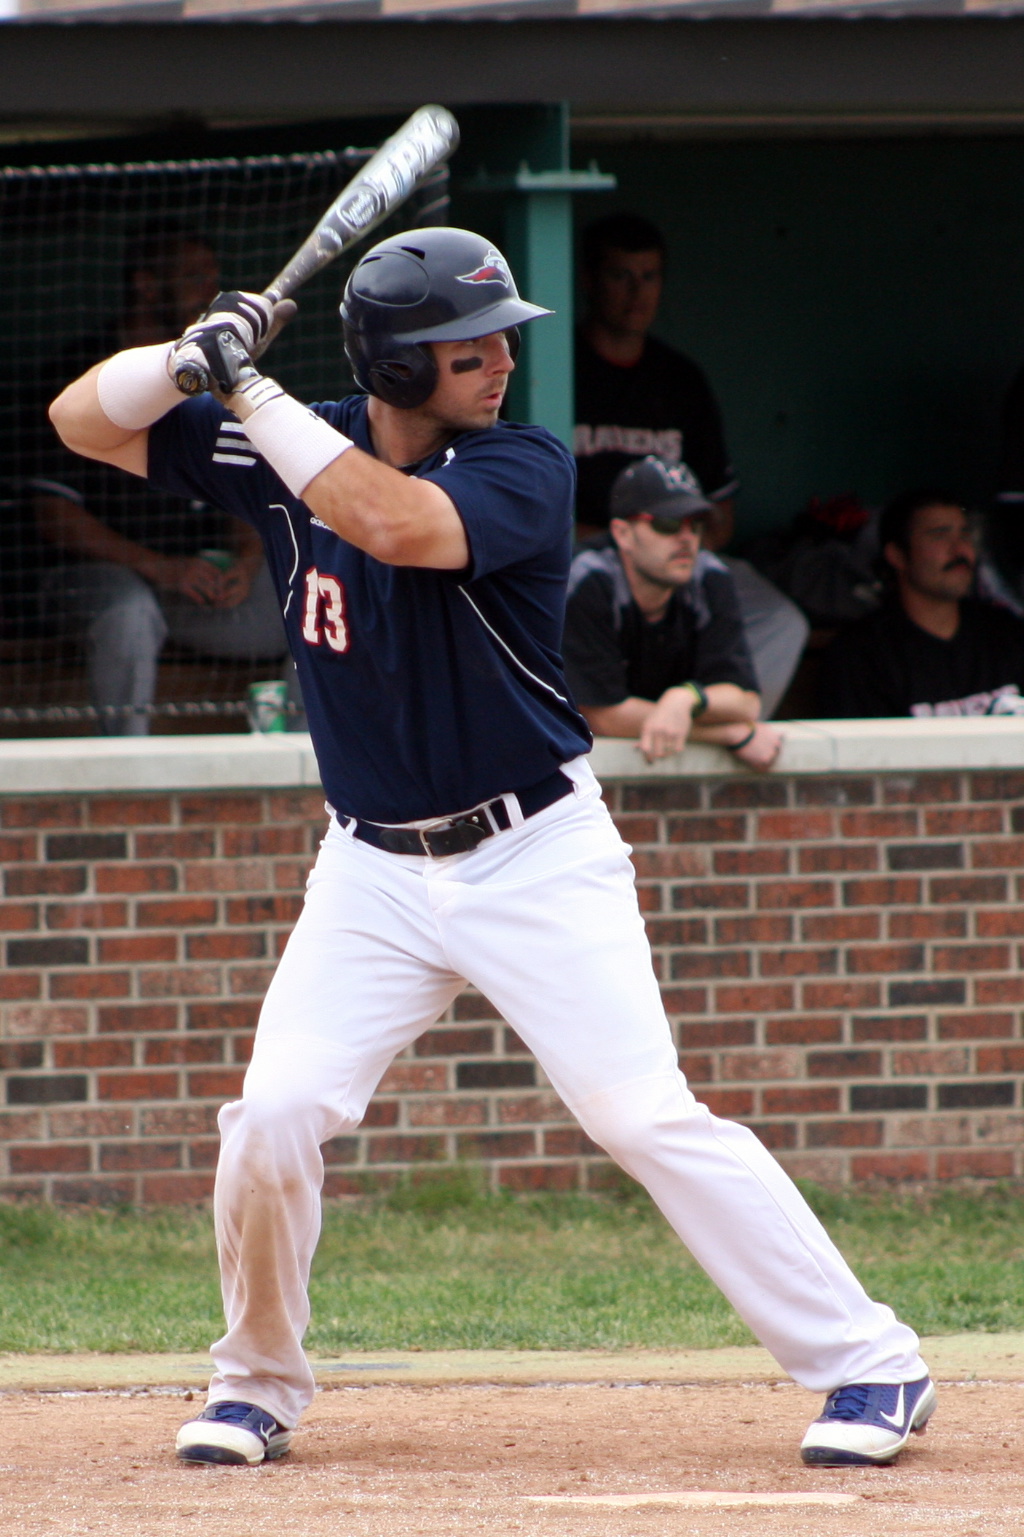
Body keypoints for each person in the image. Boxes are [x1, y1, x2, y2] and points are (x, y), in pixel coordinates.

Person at [51, 225, 933, 1472]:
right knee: (272, 1116)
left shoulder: (519, 462)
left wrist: (245, 388)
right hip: (370, 868)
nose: (500, 363)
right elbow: (82, 421)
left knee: (641, 1116)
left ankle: (870, 1361)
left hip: (534, 851)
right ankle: (256, 1382)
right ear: (393, 365)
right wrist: (187, 355)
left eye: (498, 342)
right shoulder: (285, 436)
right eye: (467, 349)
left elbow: (392, 521)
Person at [33, 224, 290, 734]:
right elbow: (53, 515)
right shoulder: (80, 372)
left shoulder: (215, 375)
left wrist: (246, 559)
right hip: (90, 579)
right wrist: (160, 567)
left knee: (307, 596)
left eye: (212, 280)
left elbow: (240, 480)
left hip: (191, 581)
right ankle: (127, 771)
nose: (206, 293)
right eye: (193, 278)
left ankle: (301, 756)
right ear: (147, 285)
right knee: (128, 615)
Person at [574, 214, 808, 717]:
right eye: (620, 276)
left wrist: (675, 538)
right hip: (586, 556)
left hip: (671, 556)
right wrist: (620, 540)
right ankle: (680, 723)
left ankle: (714, 731)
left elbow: (721, 513)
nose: (637, 293)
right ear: (589, 281)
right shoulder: (555, 368)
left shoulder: (680, 379)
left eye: (649, 276)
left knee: (781, 620)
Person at [563, 456, 782, 768]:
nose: (686, 538)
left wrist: (685, 699)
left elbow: (746, 703)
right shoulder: (586, 579)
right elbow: (602, 716)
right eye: (667, 524)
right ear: (623, 534)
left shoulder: (710, 577)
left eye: (696, 525)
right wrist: (728, 734)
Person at [822, 489, 1024, 718]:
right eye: (940, 535)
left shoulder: (1006, 634)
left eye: (965, 534)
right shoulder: (862, 654)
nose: (960, 549)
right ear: (897, 555)